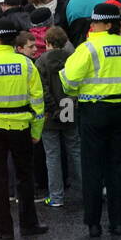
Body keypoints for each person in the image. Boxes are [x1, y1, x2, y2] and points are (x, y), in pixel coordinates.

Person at [59, 2, 121, 237]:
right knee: (116, 166)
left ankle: (93, 223)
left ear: (108, 24)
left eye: (96, 22)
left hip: (93, 111)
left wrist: (75, 87)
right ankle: (118, 223)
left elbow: (69, 81)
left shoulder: (88, 48)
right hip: (119, 109)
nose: (92, 25)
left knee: (92, 167)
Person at [0, 19, 48, 239]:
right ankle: (28, 225)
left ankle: (4, 229)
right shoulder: (27, 64)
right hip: (21, 126)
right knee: (25, 176)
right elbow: (38, 100)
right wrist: (36, 131)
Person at [38, 26, 81, 205]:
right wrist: (66, 107)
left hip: (49, 115)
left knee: (52, 155)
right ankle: (87, 190)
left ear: (47, 43)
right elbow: (76, 86)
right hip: (69, 109)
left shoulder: (40, 61)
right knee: (76, 151)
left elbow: (42, 89)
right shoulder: (73, 59)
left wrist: (53, 108)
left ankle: (56, 197)